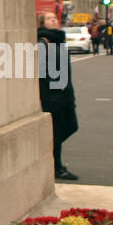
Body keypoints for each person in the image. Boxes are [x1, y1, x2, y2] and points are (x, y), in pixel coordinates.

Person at [37, 11, 80, 182]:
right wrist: (57, 87)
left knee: (70, 126)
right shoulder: (43, 41)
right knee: (58, 131)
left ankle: (51, 160)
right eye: (48, 18)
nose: (53, 19)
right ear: (42, 23)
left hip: (64, 93)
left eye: (54, 17)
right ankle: (56, 166)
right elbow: (42, 70)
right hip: (53, 96)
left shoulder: (58, 39)